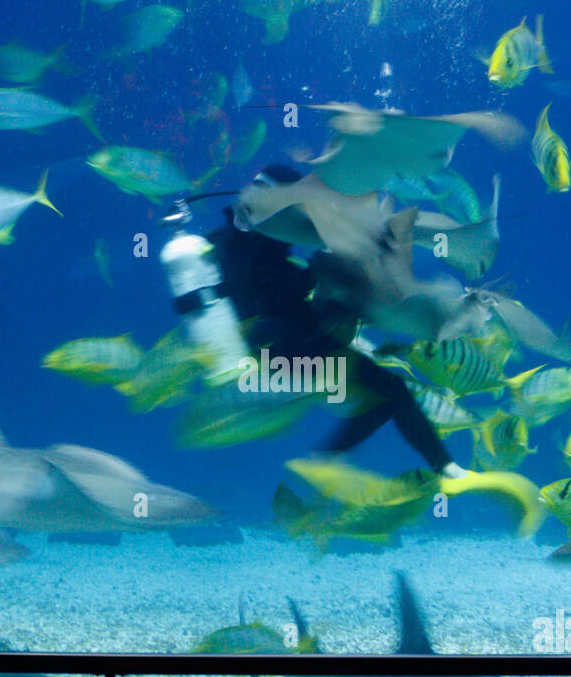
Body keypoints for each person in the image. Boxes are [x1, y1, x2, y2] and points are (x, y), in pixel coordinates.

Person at [198, 165, 467, 478]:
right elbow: (269, 293)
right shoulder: (262, 236)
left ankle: (328, 457)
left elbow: (248, 291)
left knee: (380, 394)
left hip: (270, 348)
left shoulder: (226, 236)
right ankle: (440, 465)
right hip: (287, 346)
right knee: (391, 390)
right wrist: (319, 271)